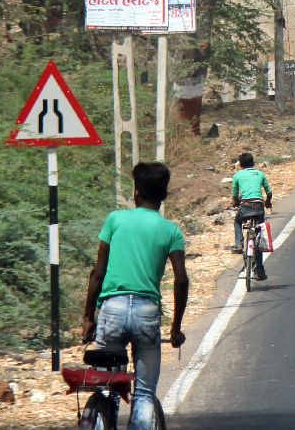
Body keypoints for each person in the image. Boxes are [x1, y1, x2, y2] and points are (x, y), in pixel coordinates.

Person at [81, 161, 188, 430]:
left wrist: (87, 318)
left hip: (112, 310)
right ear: (164, 195)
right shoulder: (171, 231)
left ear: (135, 192)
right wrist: (175, 328)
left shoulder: (115, 220)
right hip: (146, 312)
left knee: (108, 383)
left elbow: (98, 273)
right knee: (143, 393)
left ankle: (102, 412)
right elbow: (181, 280)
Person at [230, 152, 274, 278]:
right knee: (259, 237)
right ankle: (260, 269)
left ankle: (239, 244)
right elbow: (269, 192)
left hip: (245, 207)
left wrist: (236, 202)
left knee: (237, 222)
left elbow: (234, 195)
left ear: (241, 165)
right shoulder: (260, 174)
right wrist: (267, 202)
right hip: (259, 208)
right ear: (253, 163)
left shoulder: (237, 175)